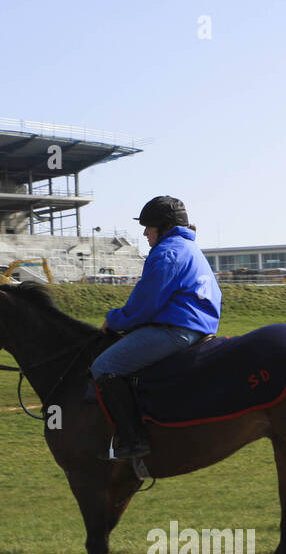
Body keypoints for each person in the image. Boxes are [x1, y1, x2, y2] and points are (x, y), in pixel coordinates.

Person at [90, 196, 221, 461]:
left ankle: (132, 440)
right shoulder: (190, 248)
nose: (145, 232)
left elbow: (144, 307)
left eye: (149, 226)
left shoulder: (166, 252)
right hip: (197, 326)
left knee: (104, 366)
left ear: (163, 226)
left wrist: (113, 319)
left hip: (177, 330)